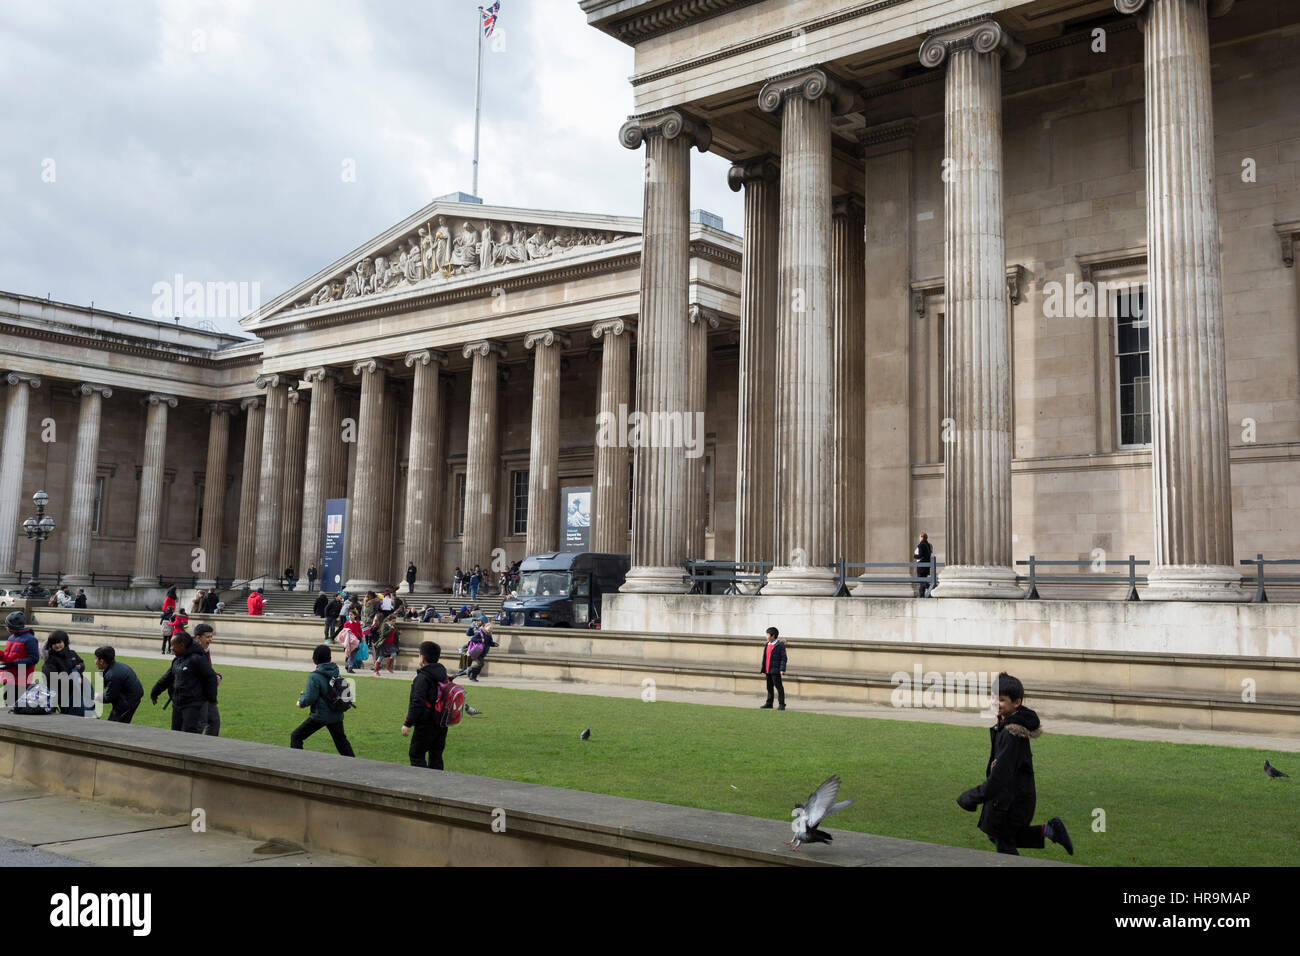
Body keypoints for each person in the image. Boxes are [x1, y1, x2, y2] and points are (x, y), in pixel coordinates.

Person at [957, 673, 1074, 857]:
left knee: (1003, 842)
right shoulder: (1005, 724)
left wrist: (972, 797)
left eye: (1001, 699)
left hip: (1013, 802)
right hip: (1006, 799)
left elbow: (999, 776)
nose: (995, 702)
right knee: (997, 835)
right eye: (994, 697)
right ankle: (1050, 830)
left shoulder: (1012, 735)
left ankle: (1050, 830)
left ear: (1016, 702)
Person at [290, 645, 355, 757]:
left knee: (296, 736)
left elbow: (310, 698)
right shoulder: (335, 671)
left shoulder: (314, 676)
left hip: (320, 715)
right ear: (329, 658)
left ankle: (297, 764)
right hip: (336, 714)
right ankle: (355, 764)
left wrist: (300, 702)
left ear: (315, 660)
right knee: (342, 743)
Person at [150, 630, 219, 734]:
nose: (171, 648)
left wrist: (212, 698)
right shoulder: (177, 660)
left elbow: (211, 678)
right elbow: (167, 678)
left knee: (189, 736)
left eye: (173, 645)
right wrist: (154, 692)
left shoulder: (197, 659)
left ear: (182, 645)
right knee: (176, 734)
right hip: (177, 704)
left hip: (193, 706)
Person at [402, 641, 449, 770]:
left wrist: (407, 723)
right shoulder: (443, 674)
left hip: (426, 723)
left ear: (422, 658)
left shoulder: (423, 678)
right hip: (441, 722)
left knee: (416, 754)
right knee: (436, 756)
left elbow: (417, 702)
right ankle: (436, 786)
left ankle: (422, 787)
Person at [42, 631, 87, 716]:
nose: (57, 645)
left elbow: (81, 662)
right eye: (54, 643)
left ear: (65, 642)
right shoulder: (50, 660)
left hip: (74, 691)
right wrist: (74, 679)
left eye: (59, 642)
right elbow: (53, 678)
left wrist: (80, 666)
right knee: (65, 714)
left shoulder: (72, 654)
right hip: (59, 693)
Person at [94, 646, 143, 723]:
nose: (95, 661)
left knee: (114, 725)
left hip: (129, 701)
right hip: (133, 697)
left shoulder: (112, 675)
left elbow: (109, 697)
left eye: (96, 658)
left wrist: (96, 696)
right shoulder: (117, 666)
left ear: (102, 661)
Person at [1, 611, 40, 698]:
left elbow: (34, 658)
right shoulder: (11, 637)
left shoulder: (30, 639)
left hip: (20, 680)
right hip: (9, 677)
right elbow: (8, 656)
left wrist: (13, 664)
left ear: (12, 627)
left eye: (7, 625)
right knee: (8, 700)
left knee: (17, 703)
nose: (5, 627)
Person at [193, 623, 221, 736]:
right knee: (200, 724)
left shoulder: (205, 650)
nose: (210, 640)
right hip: (198, 694)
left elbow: (207, 669)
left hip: (207, 693)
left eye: (211, 636)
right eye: (207, 637)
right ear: (198, 638)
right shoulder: (193, 652)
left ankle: (209, 747)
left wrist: (217, 676)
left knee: (214, 720)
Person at [760, 626, 787, 710]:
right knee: (769, 687)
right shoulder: (767, 644)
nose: (766, 636)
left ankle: (782, 704)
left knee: (779, 687)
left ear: (773, 636)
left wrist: (782, 669)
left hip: (775, 670)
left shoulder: (780, 645)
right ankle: (769, 703)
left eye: (767, 634)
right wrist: (763, 668)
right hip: (768, 670)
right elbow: (765, 657)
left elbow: (783, 658)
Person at [914, 532, 933, 598]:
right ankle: (921, 595)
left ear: (922, 537)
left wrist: (915, 556)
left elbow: (920, 555)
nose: (919, 538)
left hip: (921, 565)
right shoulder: (929, 545)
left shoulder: (921, 545)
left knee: (921, 580)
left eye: (920, 537)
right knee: (922, 580)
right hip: (927, 566)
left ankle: (931, 587)